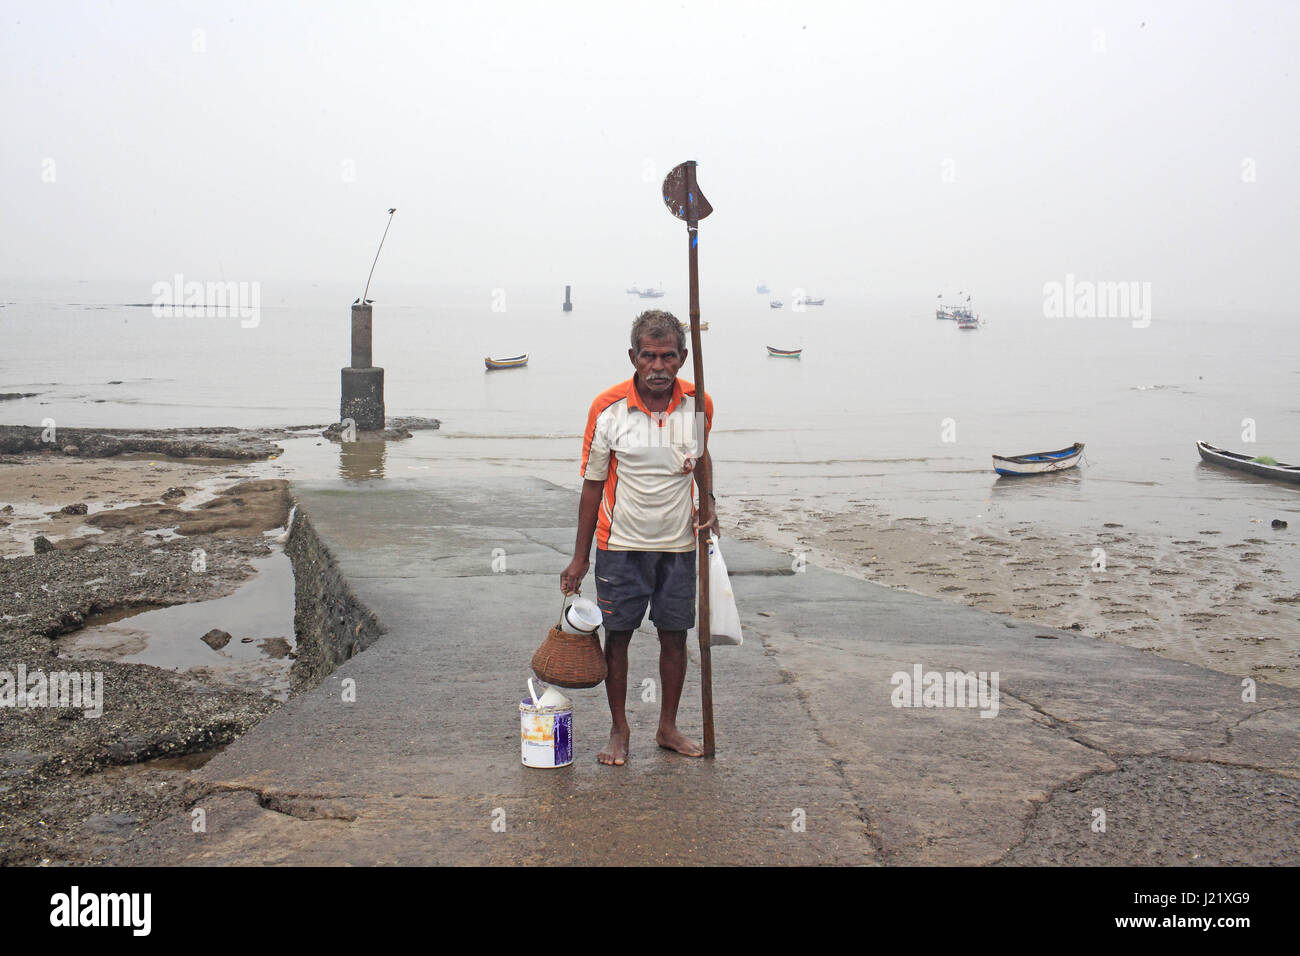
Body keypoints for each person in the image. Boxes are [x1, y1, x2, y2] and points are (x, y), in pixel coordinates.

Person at [560, 310, 717, 766]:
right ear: (633, 357)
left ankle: (667, 726)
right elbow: (592, 483)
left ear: (683, 358)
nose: (658, 367)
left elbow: (704, 458)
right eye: (648, 356)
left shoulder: (699, 404)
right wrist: (579, 559)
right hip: (620, 545)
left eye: (668, 356)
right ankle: (619, 728)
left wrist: (709, 503)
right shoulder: (607, 409)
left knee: (675, 636)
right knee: (619, 636)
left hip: (679, 546)